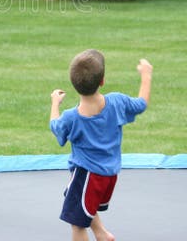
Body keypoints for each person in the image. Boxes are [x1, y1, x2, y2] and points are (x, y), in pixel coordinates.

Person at [50, 49, 152, 241]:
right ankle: (101, 234)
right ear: (102, 81)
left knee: (77, 224)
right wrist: (146, 75)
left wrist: (55, 103)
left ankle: (100, 233)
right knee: (76, 199)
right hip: (109, 175)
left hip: (87, 175)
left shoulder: (71, 118)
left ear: (74, 85)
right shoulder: (117, 102)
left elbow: (55, 126)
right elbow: (141, 104)